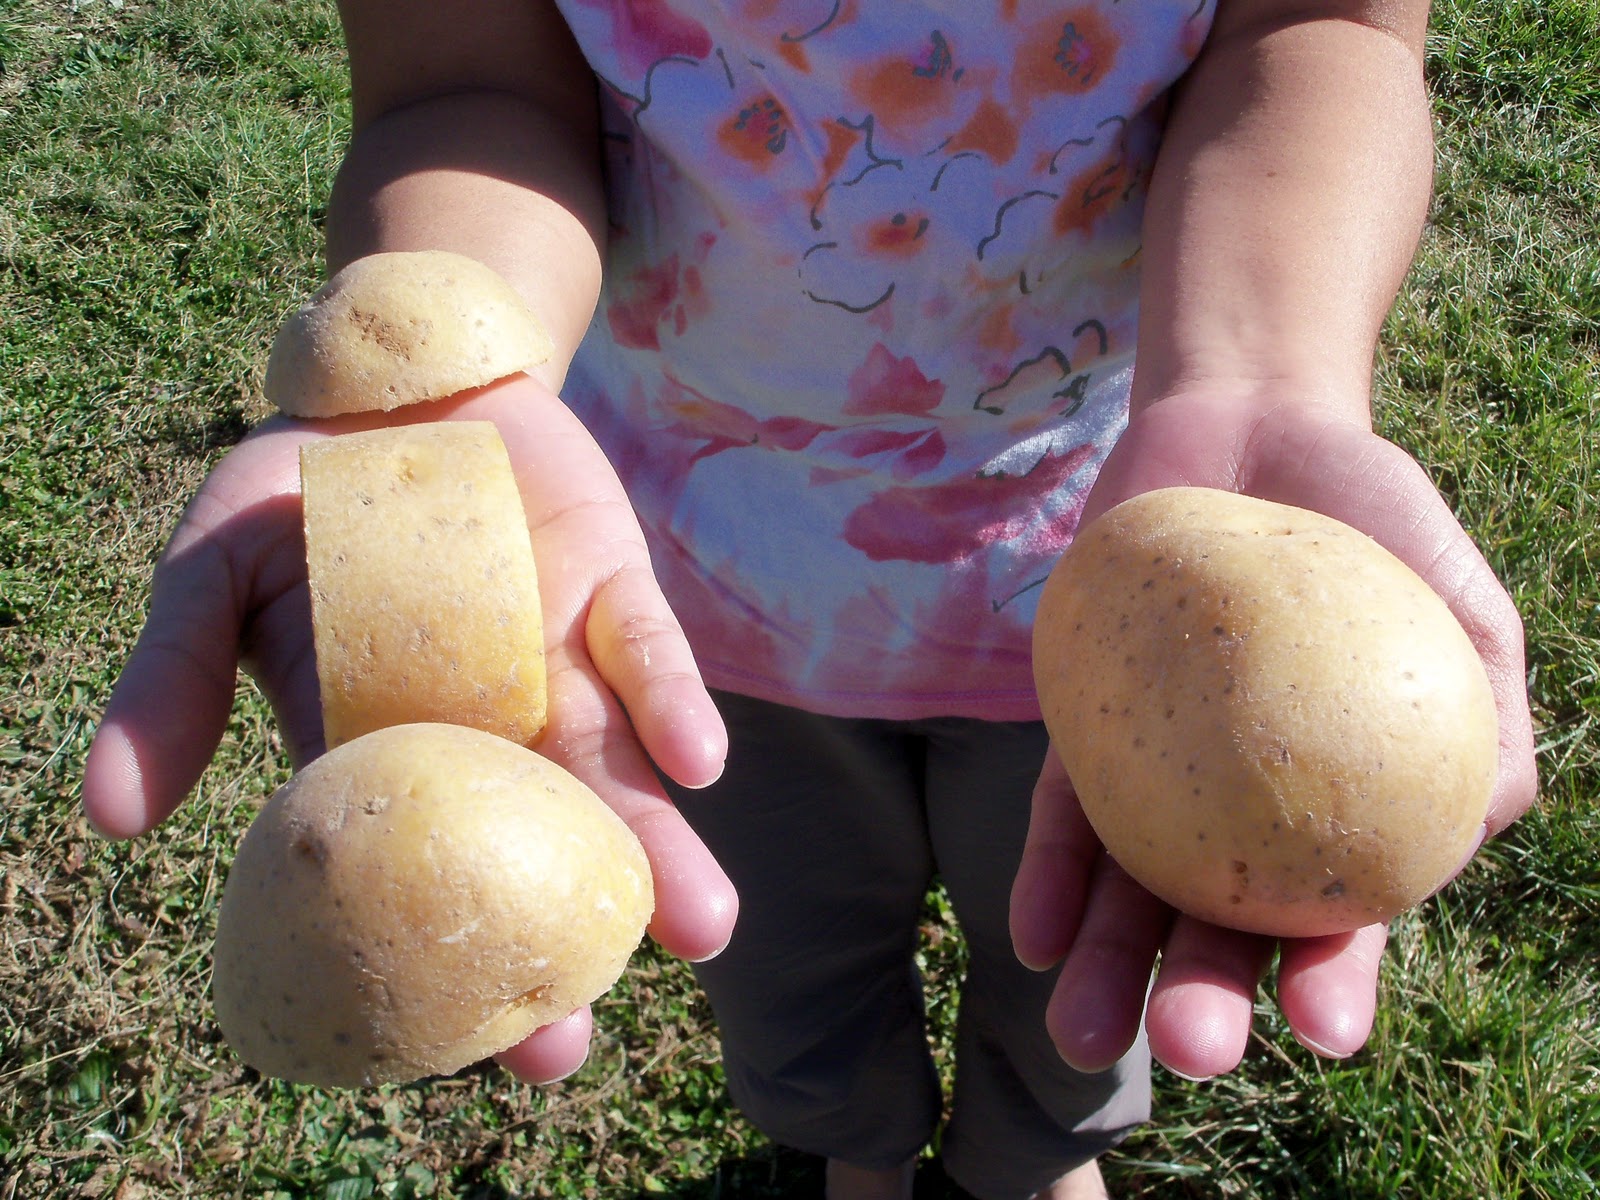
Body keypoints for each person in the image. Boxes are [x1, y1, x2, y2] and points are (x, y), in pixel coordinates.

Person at [82, 2, 1538, 1197]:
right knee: (783, 945)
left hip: (1106, 583)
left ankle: (1034, 1156)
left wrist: (1259, 383)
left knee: (1070, 961)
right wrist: (449, 373)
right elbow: (463, 81)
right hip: (684, 586)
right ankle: (853, 1144)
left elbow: (1326, 33)